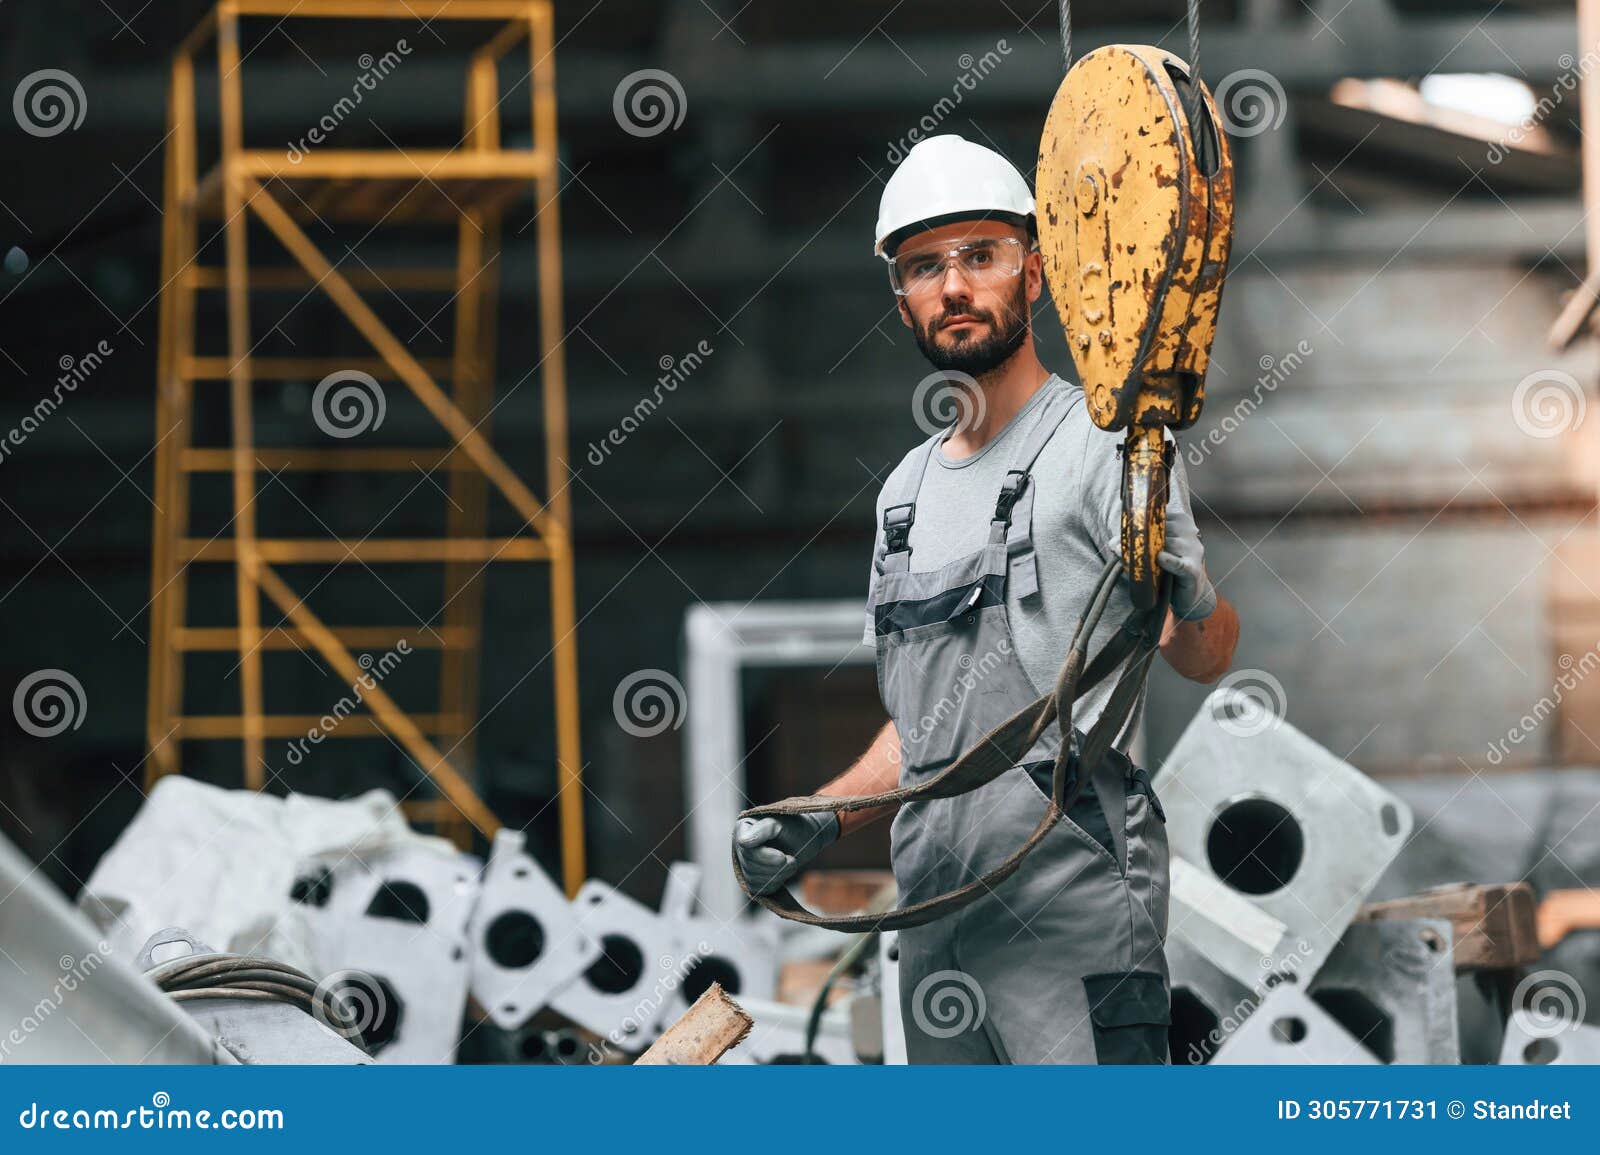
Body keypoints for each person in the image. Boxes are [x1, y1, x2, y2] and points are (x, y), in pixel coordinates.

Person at [736, 135, 1240, 1063]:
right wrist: (821, 815)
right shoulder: (903, 495)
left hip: (1070, 894)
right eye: (925, 266)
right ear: (901, 299)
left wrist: (1190, 589)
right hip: (934, 911)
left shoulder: (1105, 447)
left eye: (981, 255)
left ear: (1036, 273)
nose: (955, 285)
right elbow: (925, 734)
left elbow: (1205, 652)